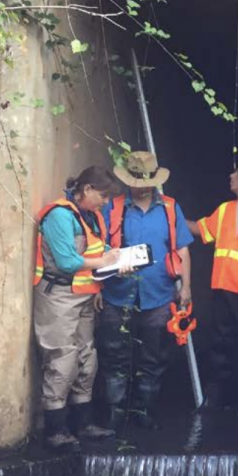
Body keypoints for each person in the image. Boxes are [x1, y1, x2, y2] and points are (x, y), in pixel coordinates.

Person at [97, 151, 195, 430]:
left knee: (154, 355)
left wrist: (186, 287)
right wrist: (96, 288)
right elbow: (98, 249)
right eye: (137, 182)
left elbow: (182, 249)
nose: (142, 188)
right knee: (114, 353)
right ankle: (115, 411)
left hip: (159, 294)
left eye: (146, 182)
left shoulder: (170, 208)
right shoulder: (112, 207)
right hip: (116, 293)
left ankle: (145, 410)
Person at [33, 166, 122, 452]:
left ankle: (83, 424)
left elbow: (96, 253)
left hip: (84, 296)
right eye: (103, 196)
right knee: (61, 359)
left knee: (86, 357)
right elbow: (67, 262)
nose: (106, 202)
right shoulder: (60, 215)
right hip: (58, 296)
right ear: (87, 190)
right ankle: (55, 430)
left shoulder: (91, 215)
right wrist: (106, 261)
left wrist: (117, 263)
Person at [185, 162, 238, 410]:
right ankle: (224, 396)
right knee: (220, 343)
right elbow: (199, 229)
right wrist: (170, 213)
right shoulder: (224, 210)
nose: (232, 175)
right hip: (222, 288)